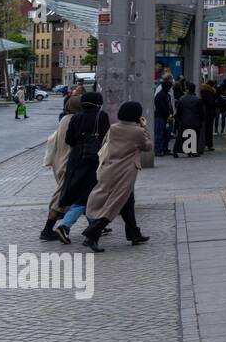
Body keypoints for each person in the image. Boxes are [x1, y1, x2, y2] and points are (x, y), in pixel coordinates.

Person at [79, 101, 153, 251]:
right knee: (115, 203)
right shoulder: (137, 131)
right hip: (126, 172)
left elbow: (105, 144)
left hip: (110, 168)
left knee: (127, 202)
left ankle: (134, 234)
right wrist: (144, 127)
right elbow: (148, 146)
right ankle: (92, 234)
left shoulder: (113, 128)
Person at [55, 91, 110, 250]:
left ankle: (94, 226)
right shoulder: (102, 116)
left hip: (76, 158)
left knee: (83, 191)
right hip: (93, 159)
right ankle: (65, 226)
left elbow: (69, 140)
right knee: (87, 194)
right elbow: (107, 138)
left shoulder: (76, 117)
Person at [40, 91, 84, 240]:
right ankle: (47, 231)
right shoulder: (75, 120)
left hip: (59, 162)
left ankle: (95, 226)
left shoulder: (65, 118)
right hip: (67, 164)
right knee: (61, 197)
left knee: (82, 195)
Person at [173, 84, 204, 157]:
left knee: (180, 137)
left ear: (187, 89)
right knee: (194, 136)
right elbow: (201, 112)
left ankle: (176, 150)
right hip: (195, 121)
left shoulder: (182, 98)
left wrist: (179, 119)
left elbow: (179, 111)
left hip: (184, 121)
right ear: (194, 89)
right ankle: (192, 151)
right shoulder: (197, 100)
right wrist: (201, 121)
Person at [153, 75, 173, 156]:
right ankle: (158, 149)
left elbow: (169, 105)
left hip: (166, 116)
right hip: (161, 117)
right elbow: (161, 107)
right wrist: (168, 114)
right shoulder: (160, 95)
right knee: (160, 133)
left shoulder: (166, 95)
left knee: (166, 133)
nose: (170, 89)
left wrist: (170, 113)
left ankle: (164, 148)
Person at [199, 81, 217, 152]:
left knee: (204, 129)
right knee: (209, 129)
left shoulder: (202, 91)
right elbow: (211, 103)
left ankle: (203, 144)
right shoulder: (209, 92)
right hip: (209, 113)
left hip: (204, 112)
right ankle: (209, 145)